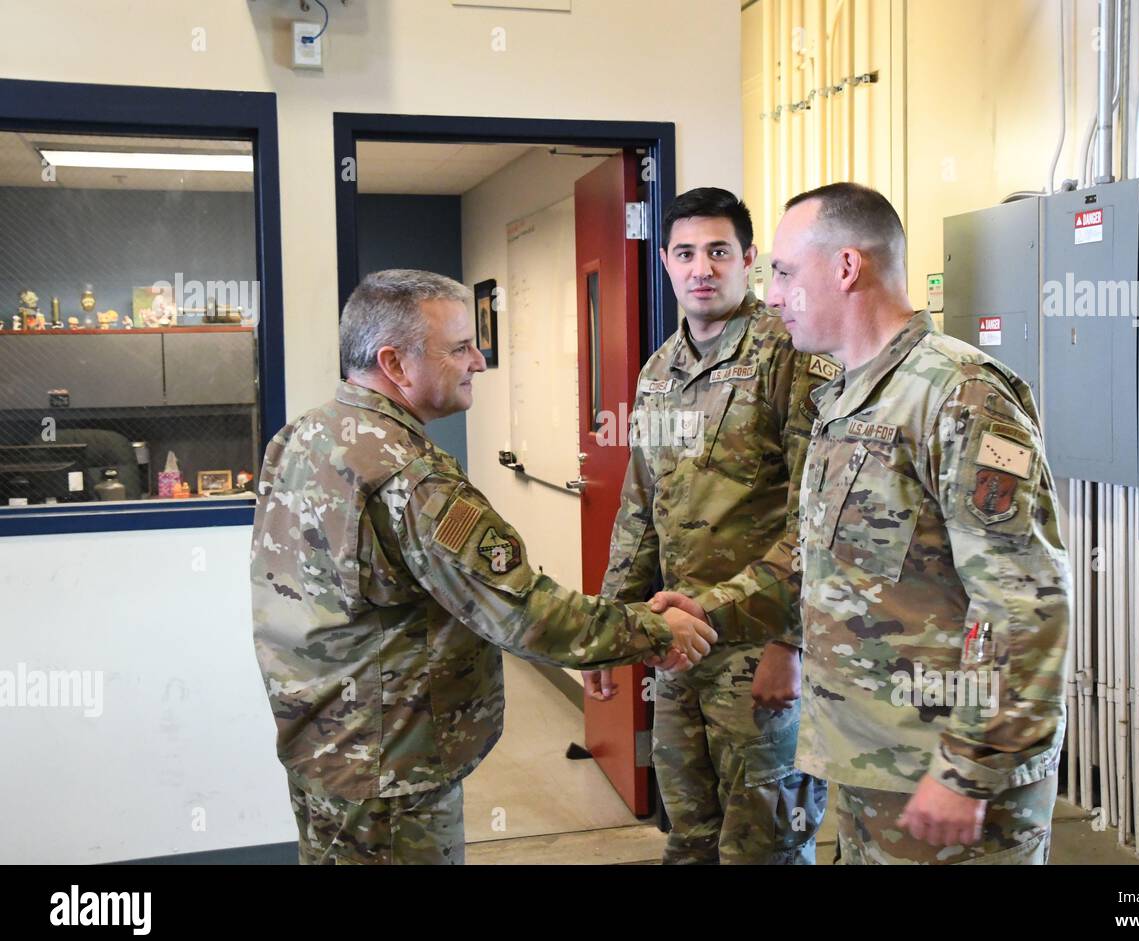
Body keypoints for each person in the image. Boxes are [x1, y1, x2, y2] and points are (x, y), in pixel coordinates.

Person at [661, 183, 1071, 864]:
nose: (773, 294)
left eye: (785, 273)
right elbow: (816, 559)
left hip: (946, 776)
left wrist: (968, 768)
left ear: (847, 268)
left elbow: (1026, 603)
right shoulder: (846, 399)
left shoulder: (959, 396)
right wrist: (708, 609)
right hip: (870, 760)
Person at [250, 269, 716, 865]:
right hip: (389, 767)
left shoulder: (304, 435)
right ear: (395, 363)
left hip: (323, 741)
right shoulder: (410, 478)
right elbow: (524, 612)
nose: (479, 361)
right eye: (460, 347)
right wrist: (655, 630)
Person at [591, 188, 829, 864]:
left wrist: (793, 643)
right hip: (677, 646)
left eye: (719, 251)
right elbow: (640, 510)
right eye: (687, 253)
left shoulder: (791, 354)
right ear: (665, 261)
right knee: (690, 838)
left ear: (749, 259)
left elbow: (817, 517)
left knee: (768, 845)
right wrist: (610, 630)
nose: (702, 268)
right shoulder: (659, 372)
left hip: (760, 654)